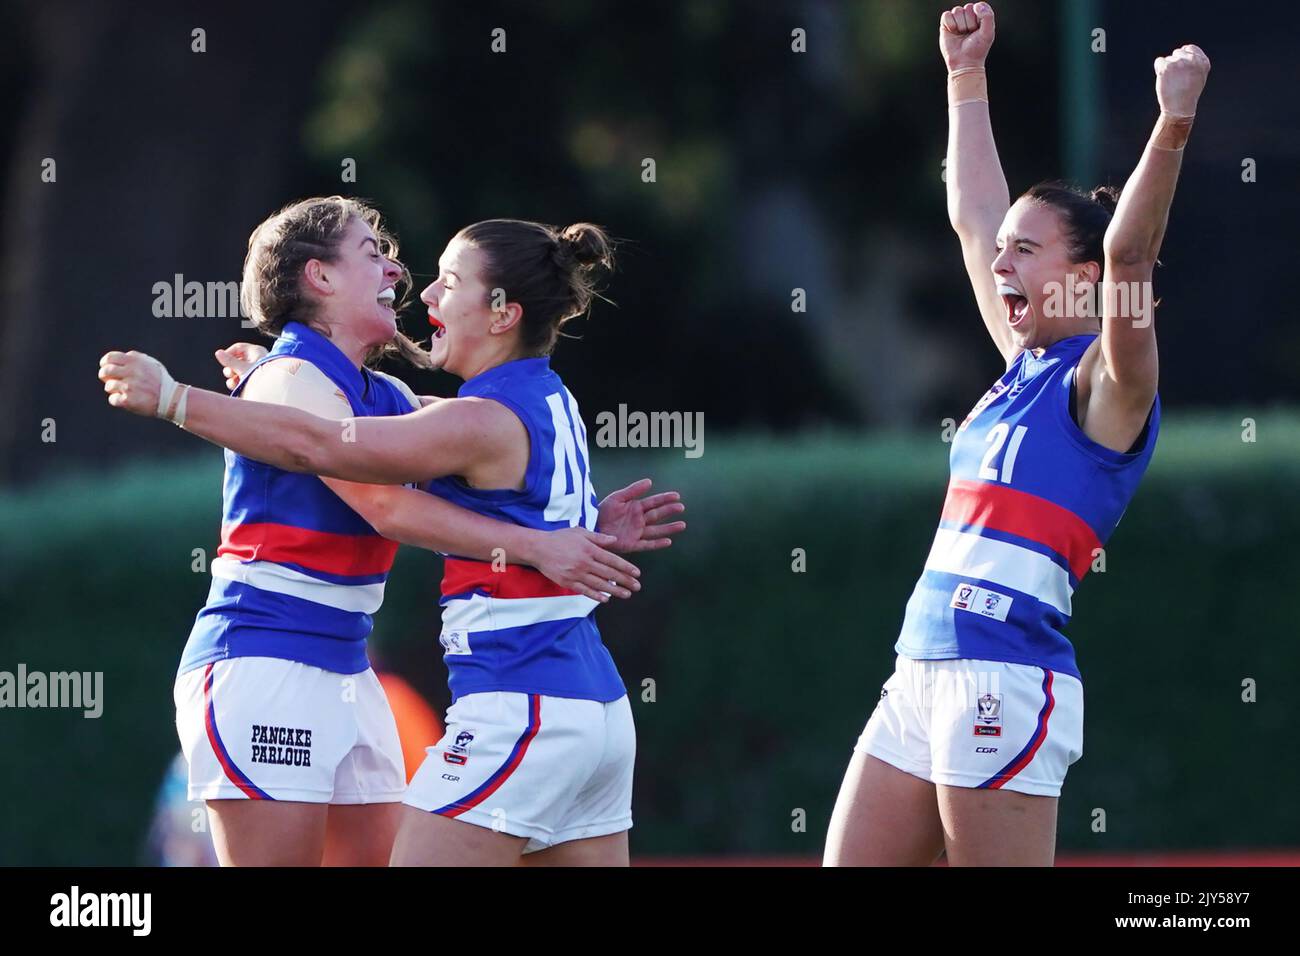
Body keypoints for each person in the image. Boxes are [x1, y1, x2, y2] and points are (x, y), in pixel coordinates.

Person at [100, 217, 686, 866]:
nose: (410, 282)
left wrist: (179, 398)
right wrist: (549, 540)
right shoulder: (523, 397)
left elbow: (337, 445)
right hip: (271, 659)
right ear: (319, 276)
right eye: (374, 253)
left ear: (501, 314)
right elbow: (376, 492)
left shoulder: (412, 403)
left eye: (446, 280)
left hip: (464, 694)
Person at [823, 3, 1209, 865]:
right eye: (1005, 252)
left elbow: (1133, 258)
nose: (1000, 264)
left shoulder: (1108, 386)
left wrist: (1173, 120)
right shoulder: (1017, 369)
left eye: (1025, 251)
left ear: (1083, 274)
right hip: (917, 671)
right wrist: (965, 76)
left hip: (1004, 676)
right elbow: (971, 216)